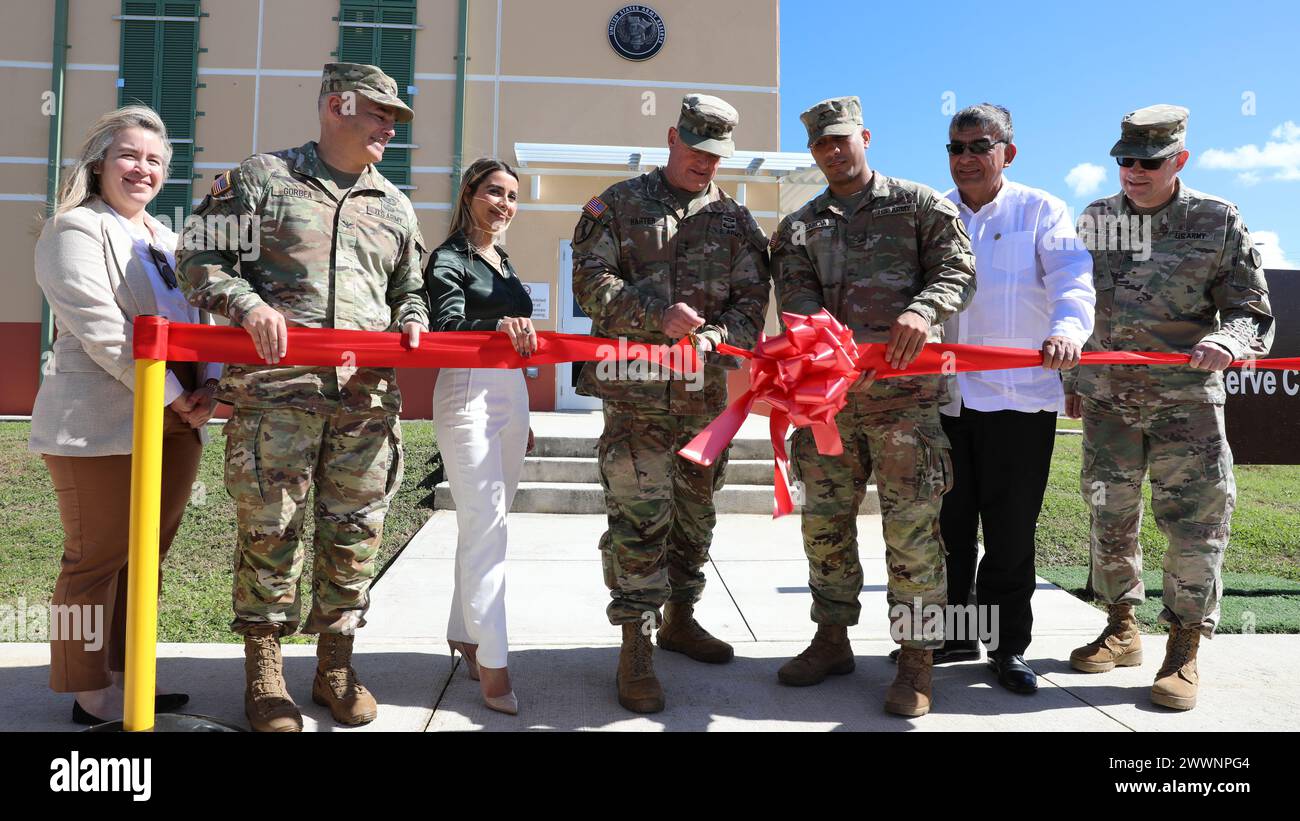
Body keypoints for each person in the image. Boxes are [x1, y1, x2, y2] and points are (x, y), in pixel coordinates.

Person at [177, 63, 429, 731]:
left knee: (355, 535)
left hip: (366, 403)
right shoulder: (264, 178)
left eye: (394, 119)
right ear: (335, 104)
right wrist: (247, 302)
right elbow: (199, 256)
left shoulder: (394, 204)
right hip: (277, 398)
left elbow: (411, 289)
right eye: (378, 113)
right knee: (272, 532)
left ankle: (335, 667)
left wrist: (412, 318)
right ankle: (265, 674)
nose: (388, 127)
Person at [771, 96, 976, 717]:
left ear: (864, 136)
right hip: (827, 407)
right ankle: (832, 638)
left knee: (912, 533)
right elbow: (797, 299)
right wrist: (813, 335)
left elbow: (958, 270)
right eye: (820, 145)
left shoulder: (919, 205)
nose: (833, 152)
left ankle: (916, 660)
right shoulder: (801, 224)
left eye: (842, 140)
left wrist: (922, 309)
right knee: (824, 528)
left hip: (905, 407)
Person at [1064, 104, 1273, 710]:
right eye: (1124, 160)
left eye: (1147, 162)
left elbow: (1250, 308)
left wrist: (1228, 340)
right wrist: (1074, 377)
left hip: (1187, 403)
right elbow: (1079, 304)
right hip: (1109, 404)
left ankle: (1184, 649)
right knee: (1110, 516)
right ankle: (1122, 626)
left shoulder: (1216, 219)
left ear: (1179, 160)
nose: (1132, 171)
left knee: (1195, 524)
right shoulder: (1097, 219)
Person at [571, 93, 771, 713]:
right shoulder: (618, 205)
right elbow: (590, 283)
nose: (707, 163)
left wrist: (716, 335)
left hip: (703, 401)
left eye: (717, 155)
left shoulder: (737, 222)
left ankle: (682, 616)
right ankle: (636, 642)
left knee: (695, 516)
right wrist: (657, 316)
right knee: (638, 517)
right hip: (634, 396)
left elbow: (749, 304)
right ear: (671, 137)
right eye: (697, 150)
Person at [30, 105, 221, 725]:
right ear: (100, 163)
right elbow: (100, 329)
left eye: (155, 161)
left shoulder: (166, 240)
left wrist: (210, 388)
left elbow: (205, 320)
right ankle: (89, 691)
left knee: (146, 557)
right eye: (129, 156)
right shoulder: (74, 231)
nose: (143, 169)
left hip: (180, 419)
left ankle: (125, 678)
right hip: (102, 419)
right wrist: (170, 392)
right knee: (97, 556)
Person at [927, 103, 1096, 694]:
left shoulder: (1041, 209)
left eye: (979, 145)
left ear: (1008, 152)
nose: (966, 158)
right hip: (944, 402)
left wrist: (1068, 332)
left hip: (1021, 402)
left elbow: (1073, 278)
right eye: (955, 148)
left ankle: (1006, 649)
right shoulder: (933, 213)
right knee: (947, 526)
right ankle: (951, 634)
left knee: (1010, 533)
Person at [426, 158, 537, 716]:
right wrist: (495, 328)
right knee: (486, 526)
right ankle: (494, 663)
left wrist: (524, 411)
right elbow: (442, 328)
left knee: (487, 524)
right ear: (469, 194)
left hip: (510, 395)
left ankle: (464, 633)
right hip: (466, 392)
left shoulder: (505, 260)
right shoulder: (448, 258)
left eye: (513, 196)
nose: (504, 204)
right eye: (494, 192)